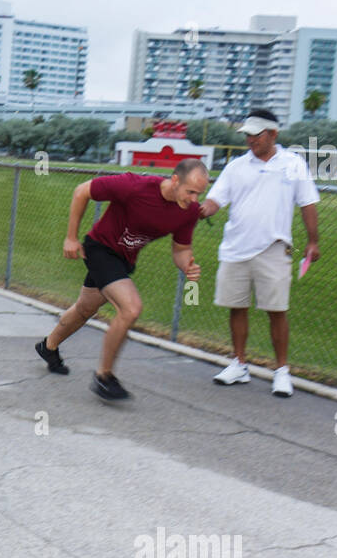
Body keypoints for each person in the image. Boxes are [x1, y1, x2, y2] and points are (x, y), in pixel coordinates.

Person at [36, 159, 208, 400]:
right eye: (191, 191)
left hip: (124, 260)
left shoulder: (188, 212)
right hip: (100, 250)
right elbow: (82, 191)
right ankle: (104, 376)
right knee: (131, 308)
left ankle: (48, 346)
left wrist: (187, 266)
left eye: (199, 194)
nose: (194, 200)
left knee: (85, 309)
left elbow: (181, 250)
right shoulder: (134, 186)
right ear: (175, 179)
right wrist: (71, 238)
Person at [199, 108, 320, 397]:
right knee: (236, 307)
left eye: (256, 134)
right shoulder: (236, 166)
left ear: (273, 134)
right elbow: (216, 200)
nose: (250, 140)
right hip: (235, 248)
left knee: (277, 311)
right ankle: (239, 365)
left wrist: (313, 241)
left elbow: (308, 204)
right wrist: (201, 209)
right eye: (248, 135)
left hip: (274, 248)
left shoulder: (293, 164)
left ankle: (281, 371)